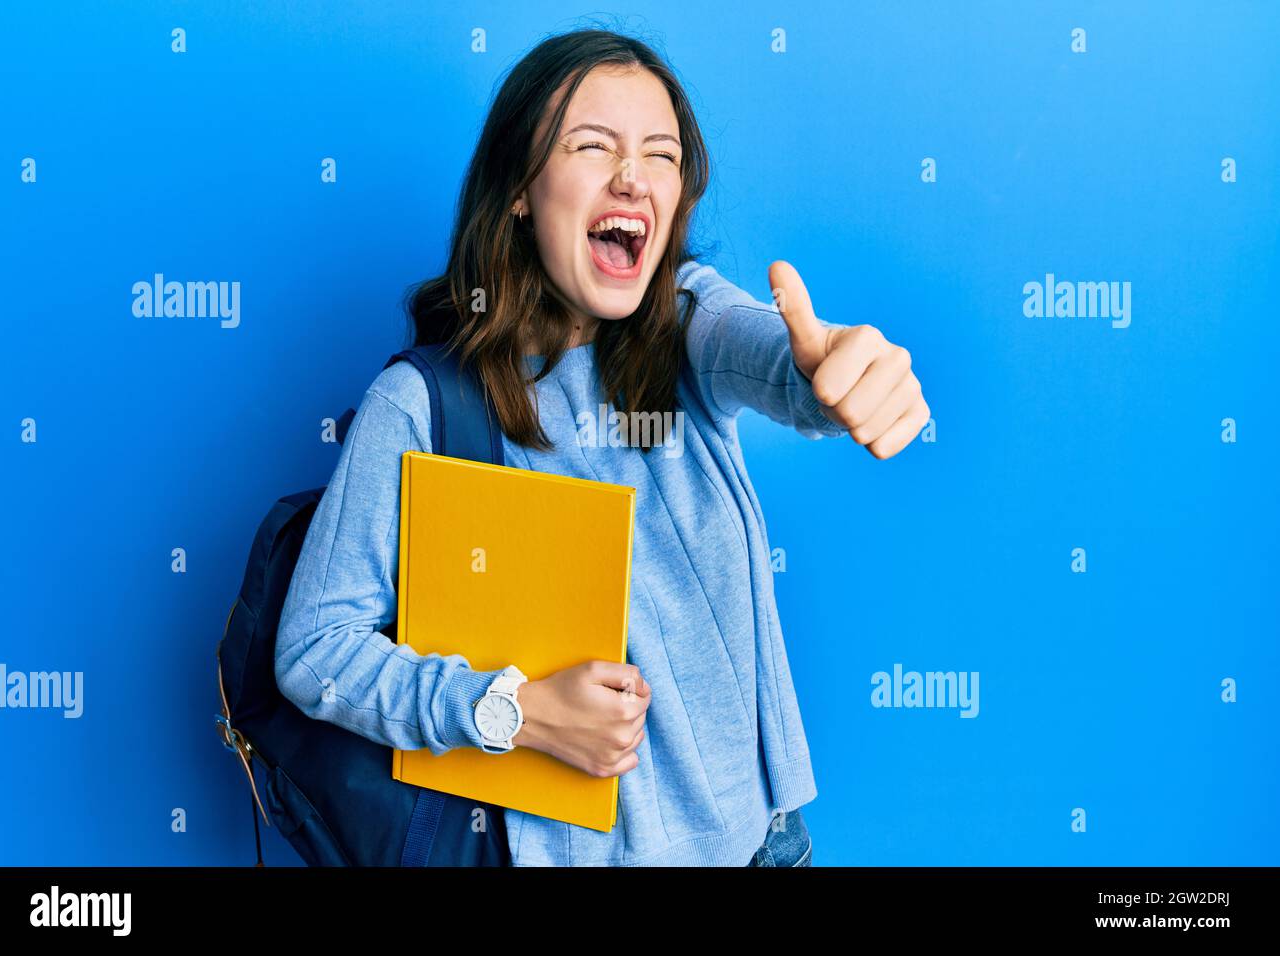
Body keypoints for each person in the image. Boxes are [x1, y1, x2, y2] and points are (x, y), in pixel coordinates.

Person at [275, 28, 928, 867]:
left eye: (661, 154)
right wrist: (513, 710)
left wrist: (834, 373)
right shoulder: (421, 407)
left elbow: (773, 356)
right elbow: (313, 649)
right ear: (519, 189)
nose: (633, 176)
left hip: (769, 846)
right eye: (592, 145)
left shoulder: (686, 323)